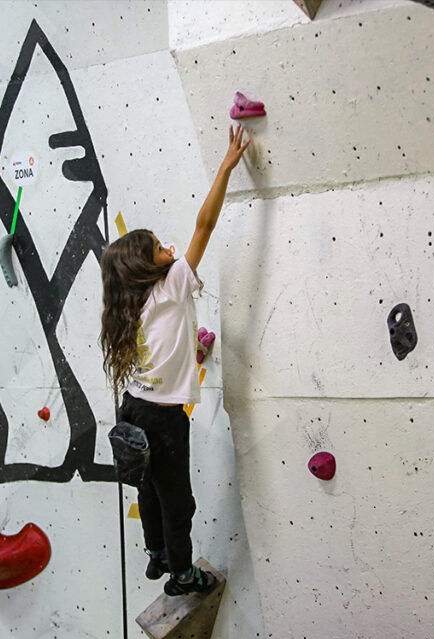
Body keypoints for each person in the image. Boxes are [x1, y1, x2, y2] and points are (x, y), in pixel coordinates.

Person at [100, 125, 250, 596]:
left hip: (134, 408)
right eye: (158, 247)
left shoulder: (133, 303)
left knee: (147, 490)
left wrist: (195, 350)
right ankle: (182, 576)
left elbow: (161, 348)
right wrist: (226, 166)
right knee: (177, 500)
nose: (169, 246)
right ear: (149, 264)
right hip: (162, 420)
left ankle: (156, 554)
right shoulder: (173, 283)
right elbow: (204, 225)